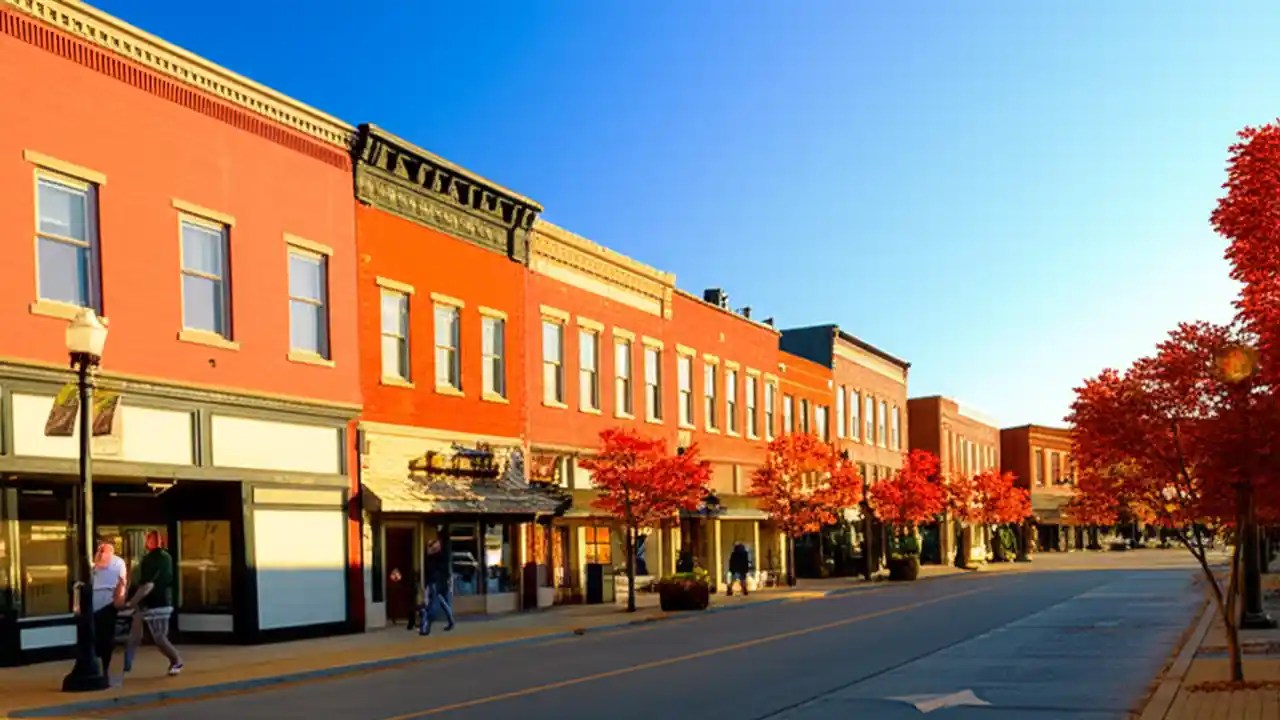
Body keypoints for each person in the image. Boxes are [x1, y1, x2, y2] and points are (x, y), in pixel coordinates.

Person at [123, 531, 183, 676]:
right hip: (159, 602)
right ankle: (125, 664)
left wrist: (132, 601)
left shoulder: (150, 560)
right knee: (143, 636)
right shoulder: (166, 558)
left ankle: (176, 660)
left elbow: (147, 585)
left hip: (153, 604)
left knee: (157, 637)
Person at [88, 538, 127, 684]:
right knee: (96, 637)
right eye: (101, 548)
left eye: (105, 548)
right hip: (93, 604)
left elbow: (122, 583)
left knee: (104, 638)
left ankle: (104, 669)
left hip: (107, 604)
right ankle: (99, 667)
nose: (102, 551)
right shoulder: (94, 562)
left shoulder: (117, 562)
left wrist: (119, 600)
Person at [419, 539, 454, 635]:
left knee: (435, 605)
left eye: (434, 545)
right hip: (435, 583)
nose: (433, 547)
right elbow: (429, 570)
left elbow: (438, 571)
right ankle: (450, 621)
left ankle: (426, 625)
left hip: (437, 583)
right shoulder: (434, 557)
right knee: (441, 603)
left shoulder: (440, 557)